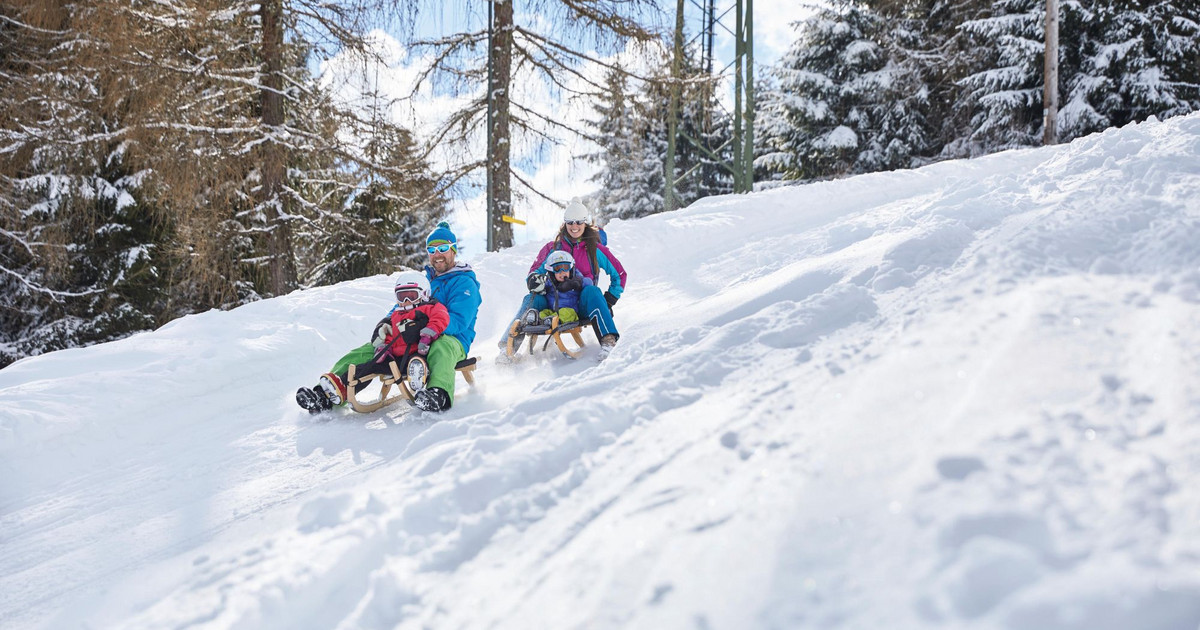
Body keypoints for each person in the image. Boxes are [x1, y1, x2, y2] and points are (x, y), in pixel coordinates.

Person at [298, 221, 481, 413]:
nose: (437, 254)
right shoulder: (423, 281)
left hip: (452, 339)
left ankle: (438, 394)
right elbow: (400, 309)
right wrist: (385, 325)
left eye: (443, 248)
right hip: (410, 337)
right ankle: (326, 393)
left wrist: (422, 329)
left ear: (453, 250)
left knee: (442, 347)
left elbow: (459, 320)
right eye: (432, 250)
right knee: (369, 350)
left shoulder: (464, 282)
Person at [499, 198, 625, 358]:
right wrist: (536, 282)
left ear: (585, 222)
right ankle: (508, 348)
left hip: (581, 305)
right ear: (565, 223)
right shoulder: (553, 248)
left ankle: (608, 341)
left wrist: (609, 300)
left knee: (593, 291)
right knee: (531, 298)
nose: (574, 226)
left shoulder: (595, 249)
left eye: (579, 222)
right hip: (553, 302)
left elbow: (620, 274)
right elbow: (534, 273)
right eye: (570, 222)